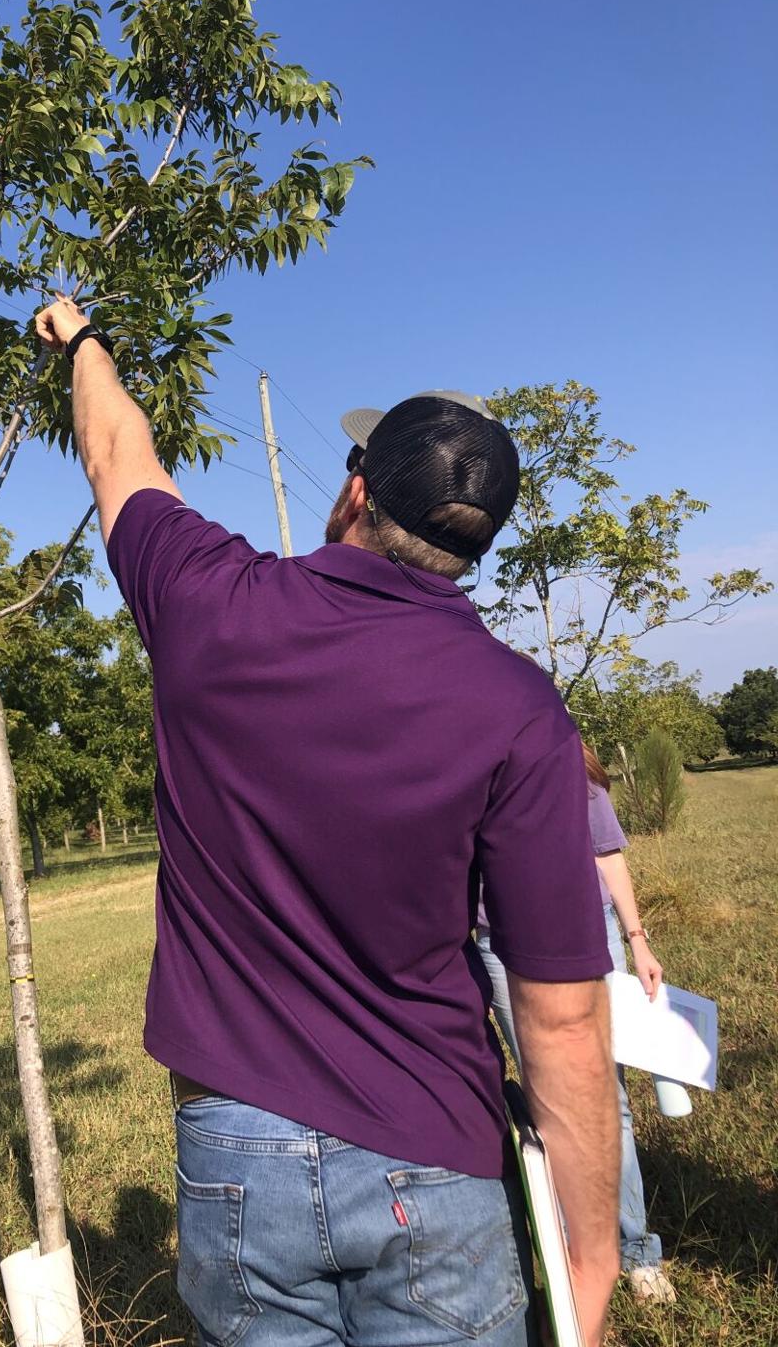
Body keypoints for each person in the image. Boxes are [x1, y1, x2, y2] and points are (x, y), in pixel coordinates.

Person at [36, 296, 621, 1347]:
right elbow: (563, 1016)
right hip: (438, 1158)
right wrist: (593, 1248)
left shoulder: (211, 603)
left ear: (357, 490)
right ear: (473, 544)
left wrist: (83, 344)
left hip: (234, 1152)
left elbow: (116, 451)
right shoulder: (521, 708)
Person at [476, 742, 677, 1304]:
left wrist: (638, 941)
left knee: (607, 1100)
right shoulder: (461, 762)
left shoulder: (569, 765)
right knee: (546, 1105)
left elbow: (608, 855)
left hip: (592, 934)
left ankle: (635, 1251)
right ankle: (570, 1257)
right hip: (500, 944)